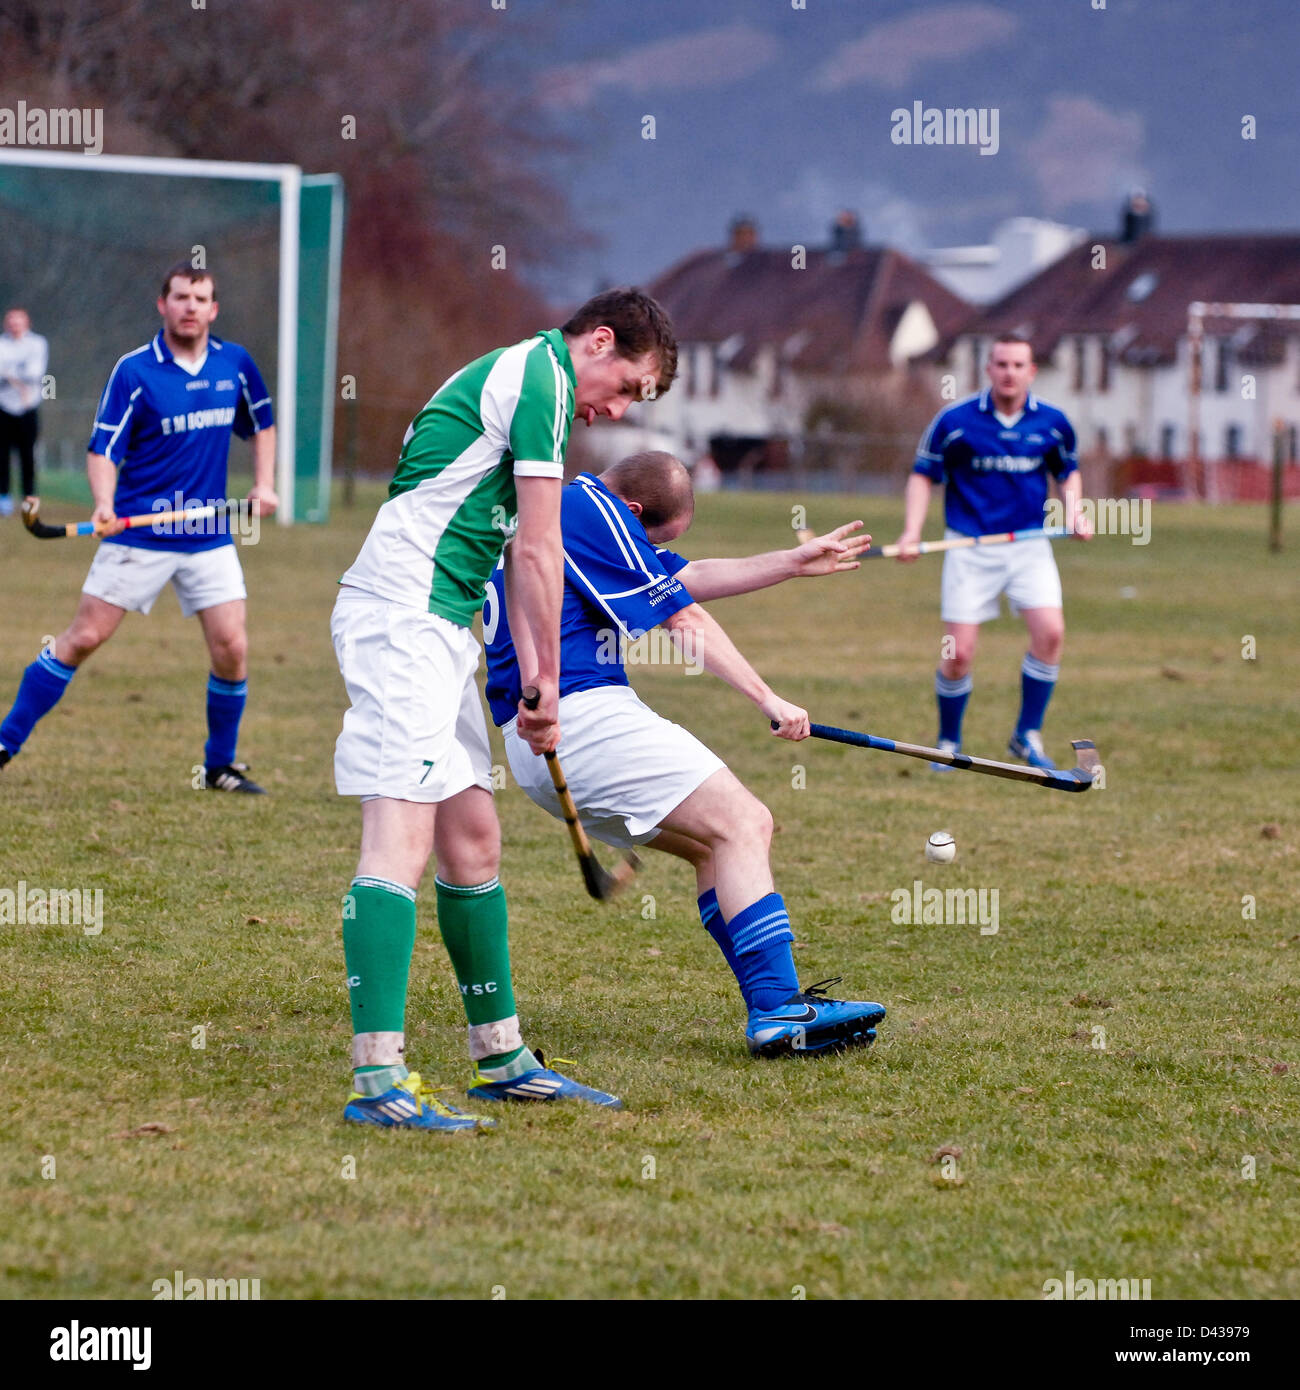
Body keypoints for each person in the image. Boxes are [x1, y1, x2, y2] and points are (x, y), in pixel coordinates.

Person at [331, 289, 677, 1132]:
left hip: (442, 623)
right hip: (403, 618)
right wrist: (550, 679)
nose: (618, 408)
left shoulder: (538, 385)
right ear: (599, 342)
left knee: (473, 840)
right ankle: (377, 1081)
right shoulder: (544, 380)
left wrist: (532, 675)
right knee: (400, 840)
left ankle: (502, 1057)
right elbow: (538, 549)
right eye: (628, 385)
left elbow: (517, 547)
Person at [483, 452, 887, 1059]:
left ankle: (775, 1004)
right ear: (635, 512)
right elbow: (683, 614)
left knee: (711, 849)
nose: (650, 552)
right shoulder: (590, 507)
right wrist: (767, 698)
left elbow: (686, 577)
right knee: (746, 823)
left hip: (534, 742)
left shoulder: (555, 517)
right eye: (653, 540)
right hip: (584, 718)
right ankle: (779, 1008)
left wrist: (790, 562)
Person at [0, 262, 277, 789]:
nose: (190, 307)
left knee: (232, 647)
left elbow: (262, 423)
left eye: (200, 298)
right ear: (163, 305)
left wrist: (264, 483)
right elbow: (104, 447)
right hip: (139, 531)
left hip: (207, 534)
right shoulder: (135, 371)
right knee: (81, 639)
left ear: (213, 309)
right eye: (180, 297)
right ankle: (5, 741)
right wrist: (103, 501)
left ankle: (219, 766)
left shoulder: (235, 364)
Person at [894, 333, 1091, 771]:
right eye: (1001, 364)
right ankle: (947, 742)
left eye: (1018, 365)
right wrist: (911, 531)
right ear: (989, 369)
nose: (1009, 373)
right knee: (957, 654)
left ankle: (1026, 735)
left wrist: (1075, 513)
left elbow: (1068, 472)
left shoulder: (1053, 423)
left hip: (1029, 545)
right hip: (970, 547)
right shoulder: (955, 421)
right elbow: (923, 475)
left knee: (1051, 635)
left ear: (1031, 371)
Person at [0, 306, 49, 516]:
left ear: (26, 322)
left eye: (18, 320)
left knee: (28, 456)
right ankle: (4, 498)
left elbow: (34, 373)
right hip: (3, 407)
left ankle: (29, 498)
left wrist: (9, 374)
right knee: (2, 456)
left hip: (28, 407)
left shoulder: (37, 344)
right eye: (11, 320)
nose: (14, 324)